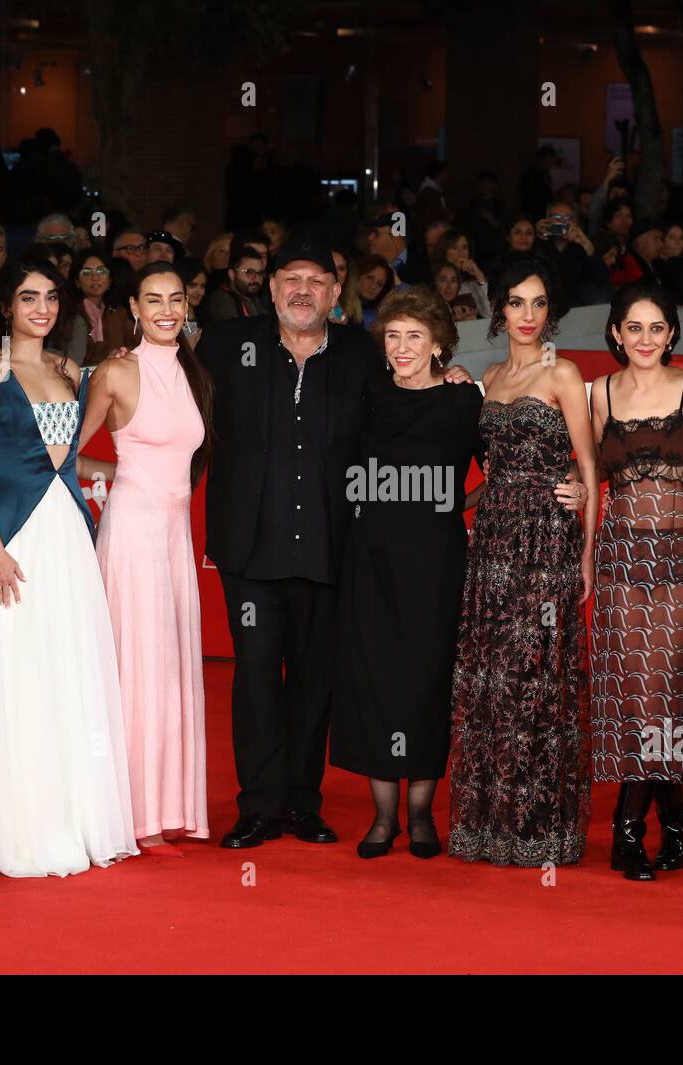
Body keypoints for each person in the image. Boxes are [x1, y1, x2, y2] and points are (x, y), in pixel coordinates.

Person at [196, 234, 474, 850]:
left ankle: (302, 803)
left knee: (315, 683)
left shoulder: (361, 356)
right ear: (270, 289)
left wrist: (451, 374)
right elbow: (164, 381)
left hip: (332, 550)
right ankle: (258, 807)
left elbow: (411, 406)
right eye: (290, 279)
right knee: (256, 680)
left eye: (316, 282)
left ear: (333, 293)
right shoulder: (223, 347)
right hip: (251, 551)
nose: (302, 291)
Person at [0, 259, 137, 877]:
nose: (42, 309)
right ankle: (17, 821)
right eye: (29, 298)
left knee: (66, 666)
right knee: (15, 670)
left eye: (51, 298)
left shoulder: (68, 369)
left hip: (67, 534)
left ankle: (72, 813)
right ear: (7, 307)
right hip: (12, 538)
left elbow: (69, 461)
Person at [448, 254, 599, 866]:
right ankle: (490, 825)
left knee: (538, 677)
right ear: (498, 309)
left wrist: (586, 550)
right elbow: (494, 474)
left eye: (539, 303)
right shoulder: (487, 381)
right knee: (493, 678)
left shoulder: (563, 375)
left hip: (547, 542)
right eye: (517, 302)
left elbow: (587, 465)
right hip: (493, 543)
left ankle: (539, 826)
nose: (528, 315)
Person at [327, 288, 483, 859]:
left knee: (425, 680)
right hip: (369, 555)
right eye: (392, 336)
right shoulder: (367, 394)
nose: (401, 348)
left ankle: (420, 815)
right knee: (374, 677)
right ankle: (383, 816)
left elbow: (506, 472)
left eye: (415, 336)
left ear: (439, 343)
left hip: (434, 561)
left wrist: (453, 502)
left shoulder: (465, 401)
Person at [81, 263, 214, 852]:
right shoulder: (115, 370)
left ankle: (166, 808)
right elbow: (63, 453)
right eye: (153, 300)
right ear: (132, 307)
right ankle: (131, 811)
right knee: (139, 667)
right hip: (133, 533)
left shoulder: (192, 370)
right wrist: (118, 474)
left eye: (176, 299)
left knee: (170, 669)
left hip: (174, 535)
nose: (166, 310)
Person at [589, 285, 683, 880]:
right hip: (620, 557)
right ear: (615, 333)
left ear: (672, 333)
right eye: (634, 328)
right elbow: (582, 473)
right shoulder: (599, 394)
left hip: (682, 556)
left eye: (657, 328)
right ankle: (672, 824)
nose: (645, 339)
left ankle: (626, 831)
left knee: (666, 688)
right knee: (636, 693)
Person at [71, 249, 134, 365]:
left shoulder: (119, 313)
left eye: (101, 271)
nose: (95, 277)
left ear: (110, 280)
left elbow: (135, 344)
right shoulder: (69, 313)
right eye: (87, 272)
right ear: (77, 282)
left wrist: (124, 353)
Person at [198, 244, 264, 325]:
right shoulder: (221, 299)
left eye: (260, 273)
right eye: (250, 272)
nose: (257, 279)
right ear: (232, 274)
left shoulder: (256, 298)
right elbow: (235, 333)